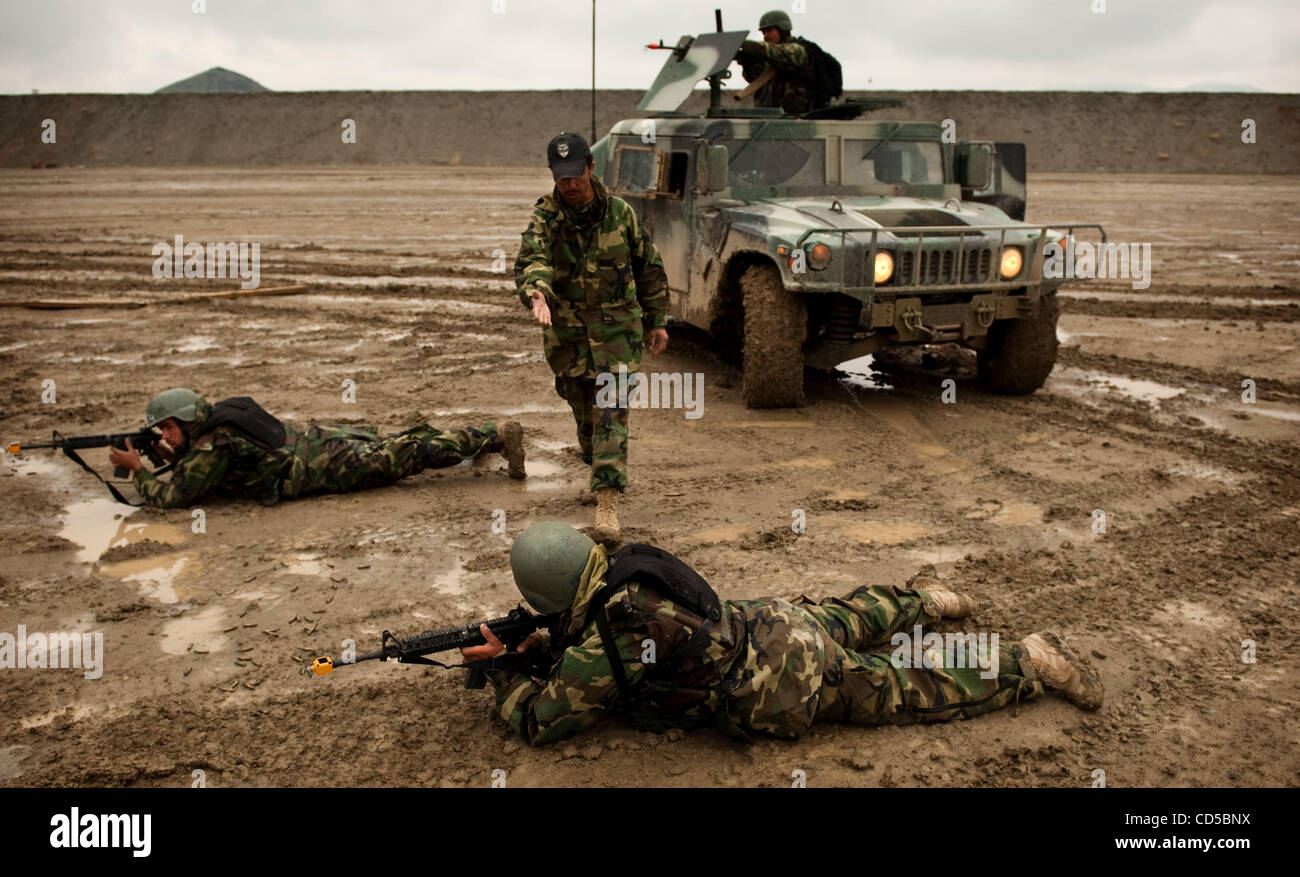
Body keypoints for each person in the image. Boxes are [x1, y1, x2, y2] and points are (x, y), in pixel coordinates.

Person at [461, 521, 1105, 746]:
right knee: (845, 616)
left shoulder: (604, 643)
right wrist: (543, 643)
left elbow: (544, 722)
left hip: (775, 681)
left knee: (898, 687)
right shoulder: (629, 565)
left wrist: (504, 670)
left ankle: (1024, 662)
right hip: (765, 620)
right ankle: (926, 601)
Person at [514, 132, 670, 544]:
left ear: (591, 168)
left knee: (611, 410)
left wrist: (658, 319)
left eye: (575, 175)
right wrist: (536, 291)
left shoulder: (620, 214)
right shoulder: (547, 216)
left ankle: (607, 500)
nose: (570, 185)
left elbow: (648, 265)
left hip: (618, 332)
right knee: (586, 415)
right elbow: (534, 256)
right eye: (561, 177)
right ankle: (597, 461)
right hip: (568, 337)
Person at [107, 388, 525, 509]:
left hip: (323, 466)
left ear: (183, 420)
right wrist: (166, 453)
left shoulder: (212, 443)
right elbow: (197, 466)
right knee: (400, 442)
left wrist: (138, 471)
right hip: (320, 440)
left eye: (166, 428)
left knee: (407, 453)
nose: (164, 436)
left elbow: (178, 495)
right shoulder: (223, 415)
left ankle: (492, 434)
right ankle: (478, 439)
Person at [736, 9, 825, 115]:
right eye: (763, 32)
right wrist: (746, 61)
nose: (766, 36)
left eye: (769, 31)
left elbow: (775, 52)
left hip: (796, 120)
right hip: (768, 120)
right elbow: (754, 78)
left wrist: (748, 46)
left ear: (783, 30)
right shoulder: (768, 60)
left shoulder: (797, 50)